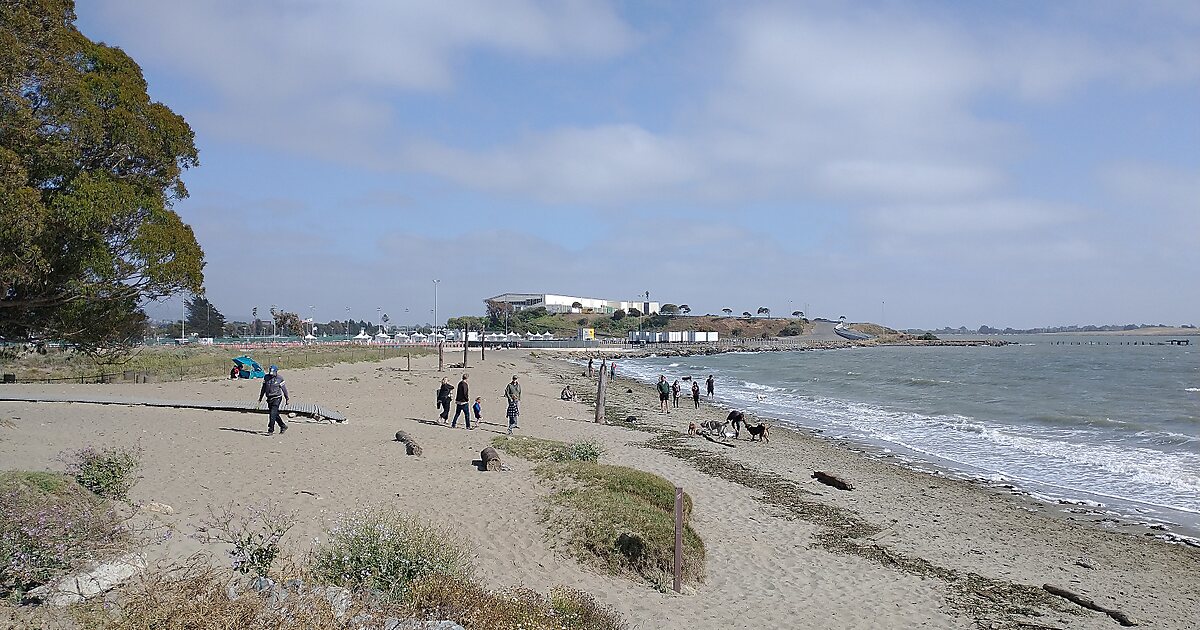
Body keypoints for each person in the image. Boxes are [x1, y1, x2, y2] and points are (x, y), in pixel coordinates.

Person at [257, 365, 289, 435]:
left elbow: (284, 389)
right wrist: (260, 398)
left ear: (276, 372)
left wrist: (287, 398)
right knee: (274, 414)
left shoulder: (280, 378)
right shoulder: (266, 377)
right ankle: (283, 426)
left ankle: (270, 430)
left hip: (277, 398)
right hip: (269, 398)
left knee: (272, 414)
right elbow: (263, 388)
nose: (272, 375)